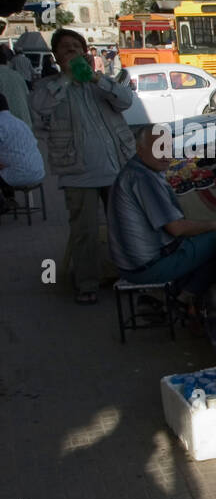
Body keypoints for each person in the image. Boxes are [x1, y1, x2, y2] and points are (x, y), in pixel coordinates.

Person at [30, 28, 136, 305]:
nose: (74, 53)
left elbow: (126, 101)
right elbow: (39, 109)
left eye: (78, 48)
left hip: (115, 168)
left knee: (122, 225)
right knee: (85, 231)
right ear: (56, 56)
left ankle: (126, 275)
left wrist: (98, 78)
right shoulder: (49, 87)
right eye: (67, 49)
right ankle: (87, 283)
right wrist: (66, 78)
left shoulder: (99, 83)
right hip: (77, 173)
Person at [107, 125, 216, 301]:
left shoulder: (138, 170)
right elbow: (175, 228)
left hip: (132, 263)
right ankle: (185, 296)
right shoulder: (143, 177)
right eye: (158, 148)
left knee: (204, 243)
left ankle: (184, 293)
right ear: (140, 150)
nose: (165, 154)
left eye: (168, 147)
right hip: (146, 267)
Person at [0, 93, 45, 212]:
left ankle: (3, 204)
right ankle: (9, 199)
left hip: (17, 175)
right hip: (38, 172)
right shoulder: (20, 123)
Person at [0, 47, 32, 128]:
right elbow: (27, 96)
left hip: (6, 127)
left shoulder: (14, 61)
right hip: (25, 124)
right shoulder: (17, 75)